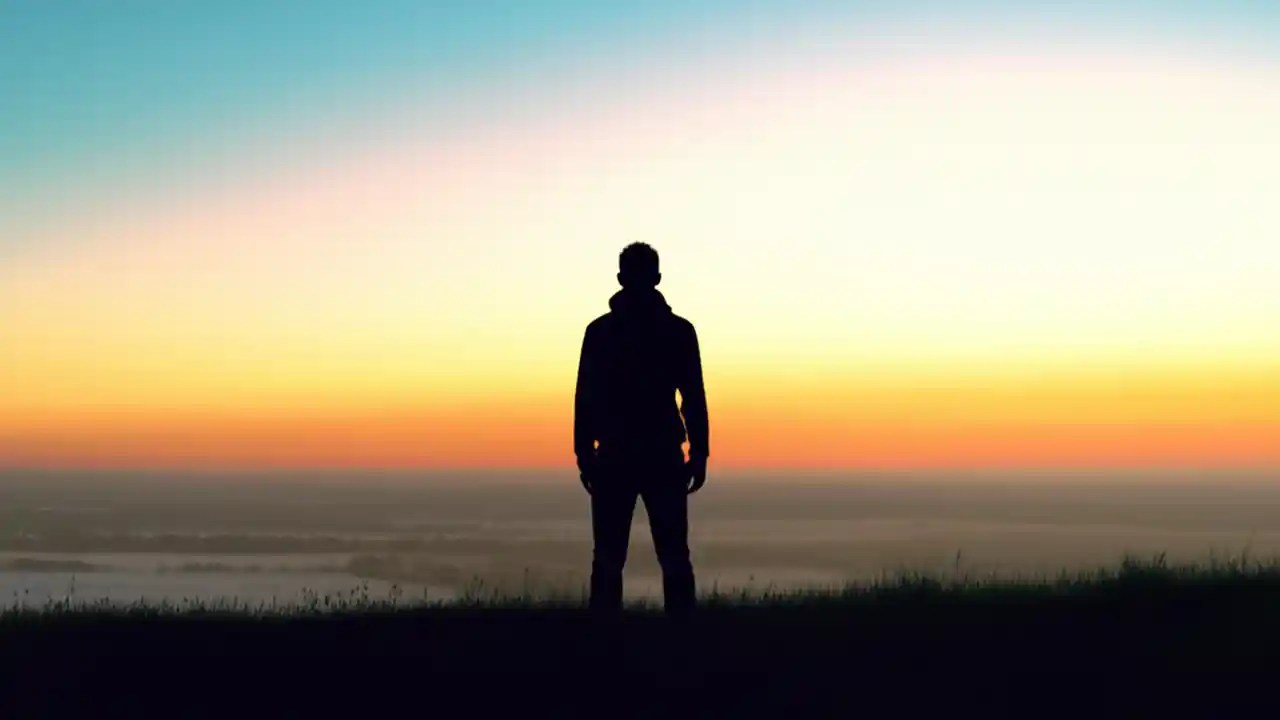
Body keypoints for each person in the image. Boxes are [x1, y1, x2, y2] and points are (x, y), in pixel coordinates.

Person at [574, 242, 709, 614]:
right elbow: (693, 396)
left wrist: (584, 453)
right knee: (672, 554)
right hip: (659, 453)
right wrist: (699, 452)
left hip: (617, 454)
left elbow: (585, 397)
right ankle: (681, 634)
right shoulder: (678, 332)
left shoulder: (600, 332)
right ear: (658, 278)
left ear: (620, 278)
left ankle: (605, 636)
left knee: (609, 556)